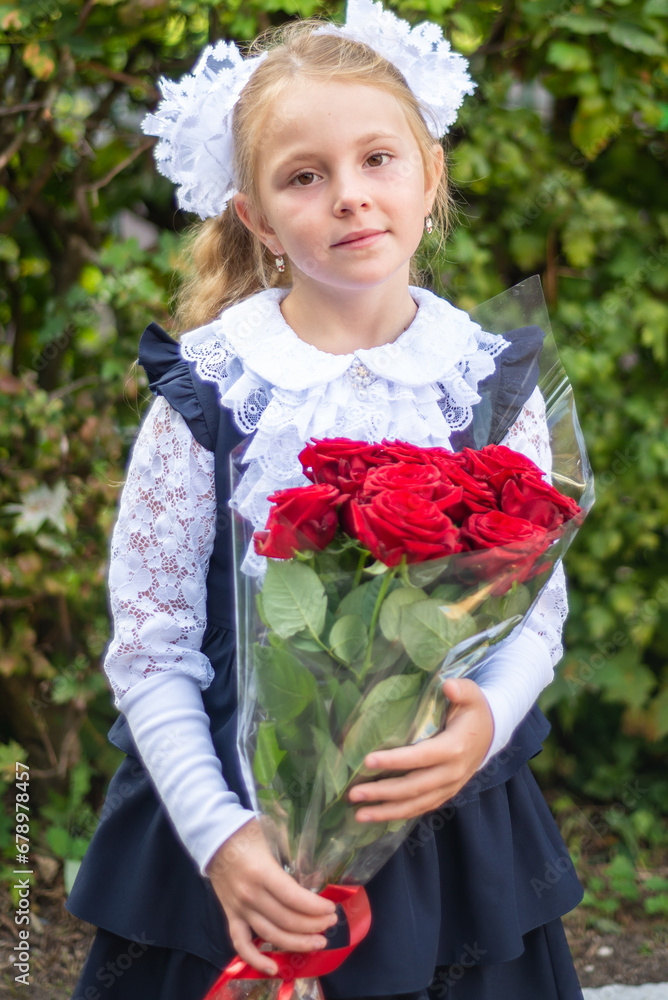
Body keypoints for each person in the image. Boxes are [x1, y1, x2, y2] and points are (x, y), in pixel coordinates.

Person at [66, 2, 585, 998]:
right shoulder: (210, 391)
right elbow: (153, 641)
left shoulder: (487, 382)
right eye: (304, 176)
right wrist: (222, 838)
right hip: (233, 818)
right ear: (255, 219)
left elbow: (534, 612)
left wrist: (479, 730)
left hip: (438, 817)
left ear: (429, 176)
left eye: (377, 159)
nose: (349, 196)